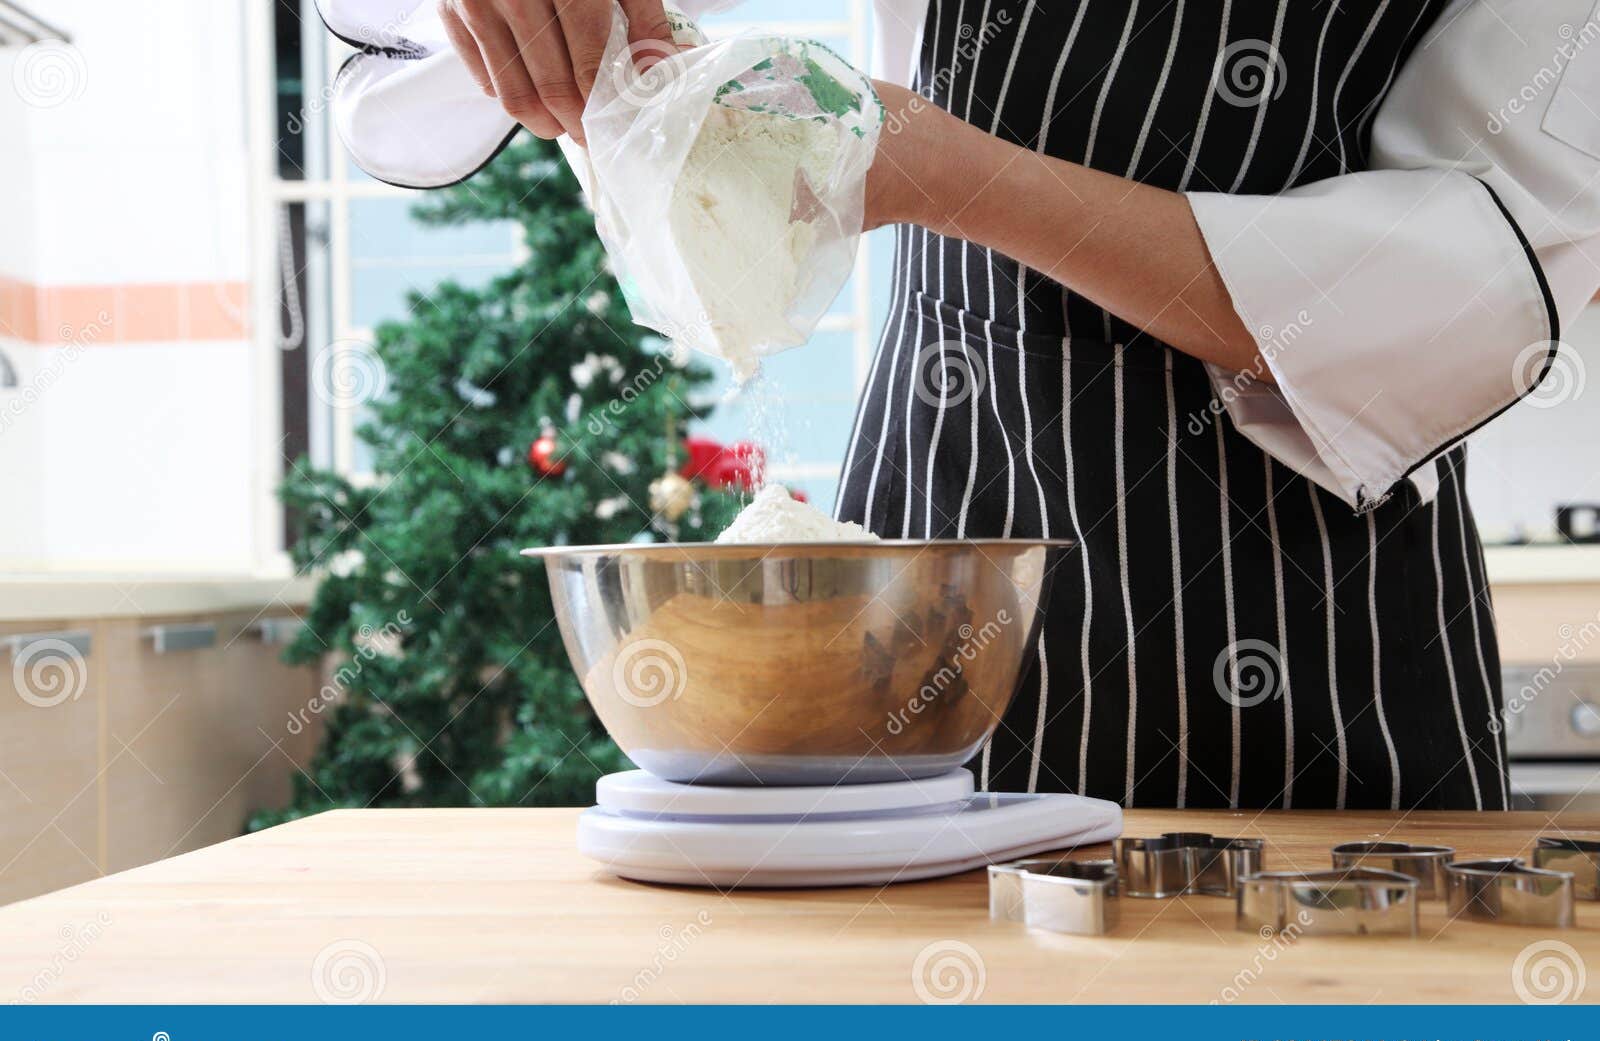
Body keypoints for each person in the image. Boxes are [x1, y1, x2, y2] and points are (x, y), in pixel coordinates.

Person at [340, 0, 1600, 808]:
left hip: (1304, 606)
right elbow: (401, 61)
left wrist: (948, 177)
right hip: (928, 555)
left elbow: (1470, 276)